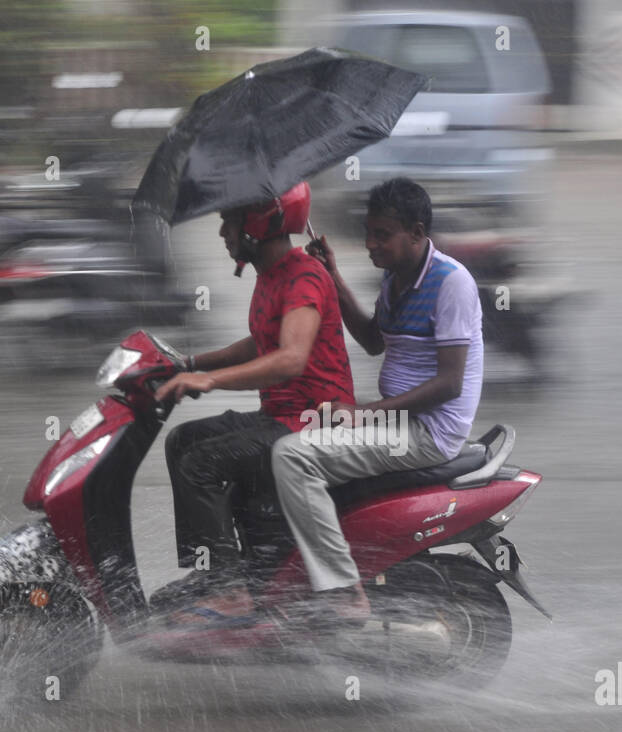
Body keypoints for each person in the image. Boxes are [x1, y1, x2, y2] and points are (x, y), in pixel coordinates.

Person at [271, 177, 484, 623]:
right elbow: (372, 340)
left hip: (429, 432)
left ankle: (345, 591)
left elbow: (449, 384)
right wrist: (333, 276)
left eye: (382, 235)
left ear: (418, 232)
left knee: (292, 457)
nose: (370, 244)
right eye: (368, 232)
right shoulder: (395, 279)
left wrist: (362, 414)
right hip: (399, 419)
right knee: (294, 425)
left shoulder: (451, 283)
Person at [154, 181, 354, 626]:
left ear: (260, 222)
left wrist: (207, 380)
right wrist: (186, 363)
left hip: (312, 422)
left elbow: (289, 359)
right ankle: (215, 571)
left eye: (230, 221)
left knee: (201, 463)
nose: (224, 232)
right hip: (281, 417)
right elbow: (260, 343)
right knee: (183, 440)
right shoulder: (271, 275)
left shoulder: (304, 276)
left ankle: (231, 593)